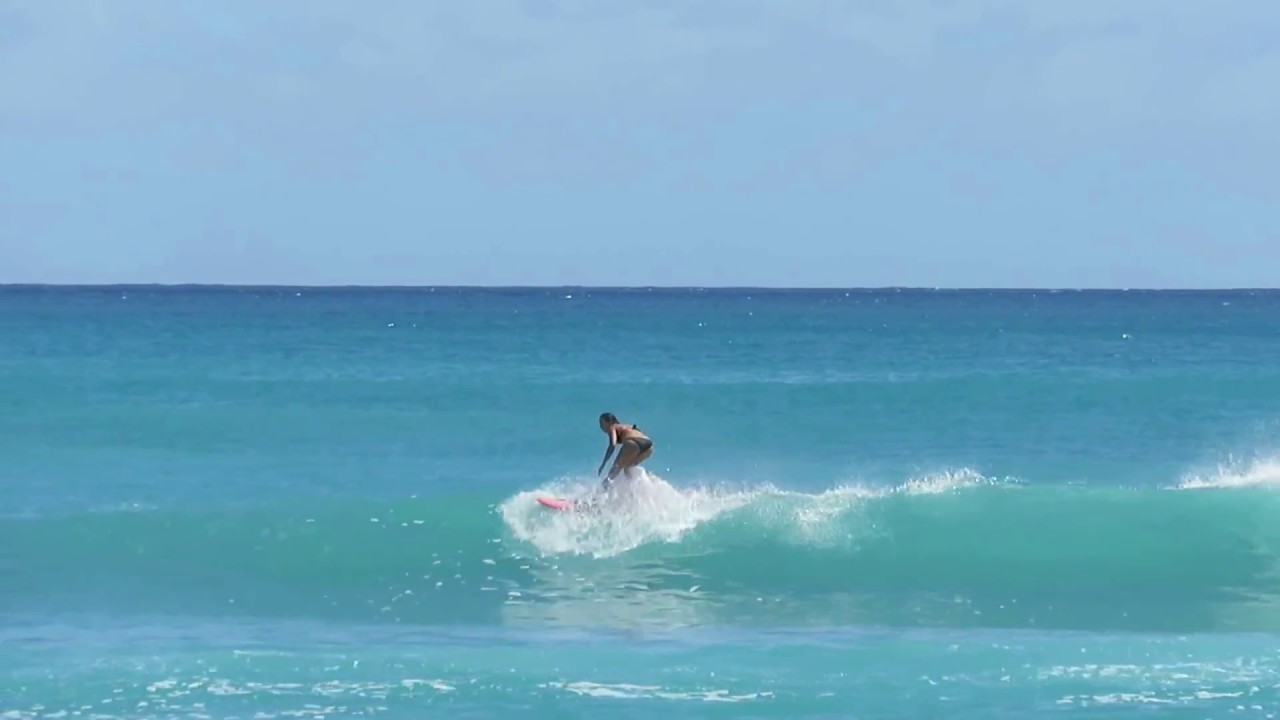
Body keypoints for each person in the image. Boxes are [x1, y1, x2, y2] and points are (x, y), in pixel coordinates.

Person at [596, 412, 654, 488]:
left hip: (633, 442)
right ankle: (644, 482)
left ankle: (600, 494)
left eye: (601, 423)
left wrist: (603, 463)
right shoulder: (628, 426)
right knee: (627, 468)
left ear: (609, 422)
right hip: (649, 446)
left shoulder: (612, 427)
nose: (600, 426)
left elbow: (612, 445)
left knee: (614, 470)